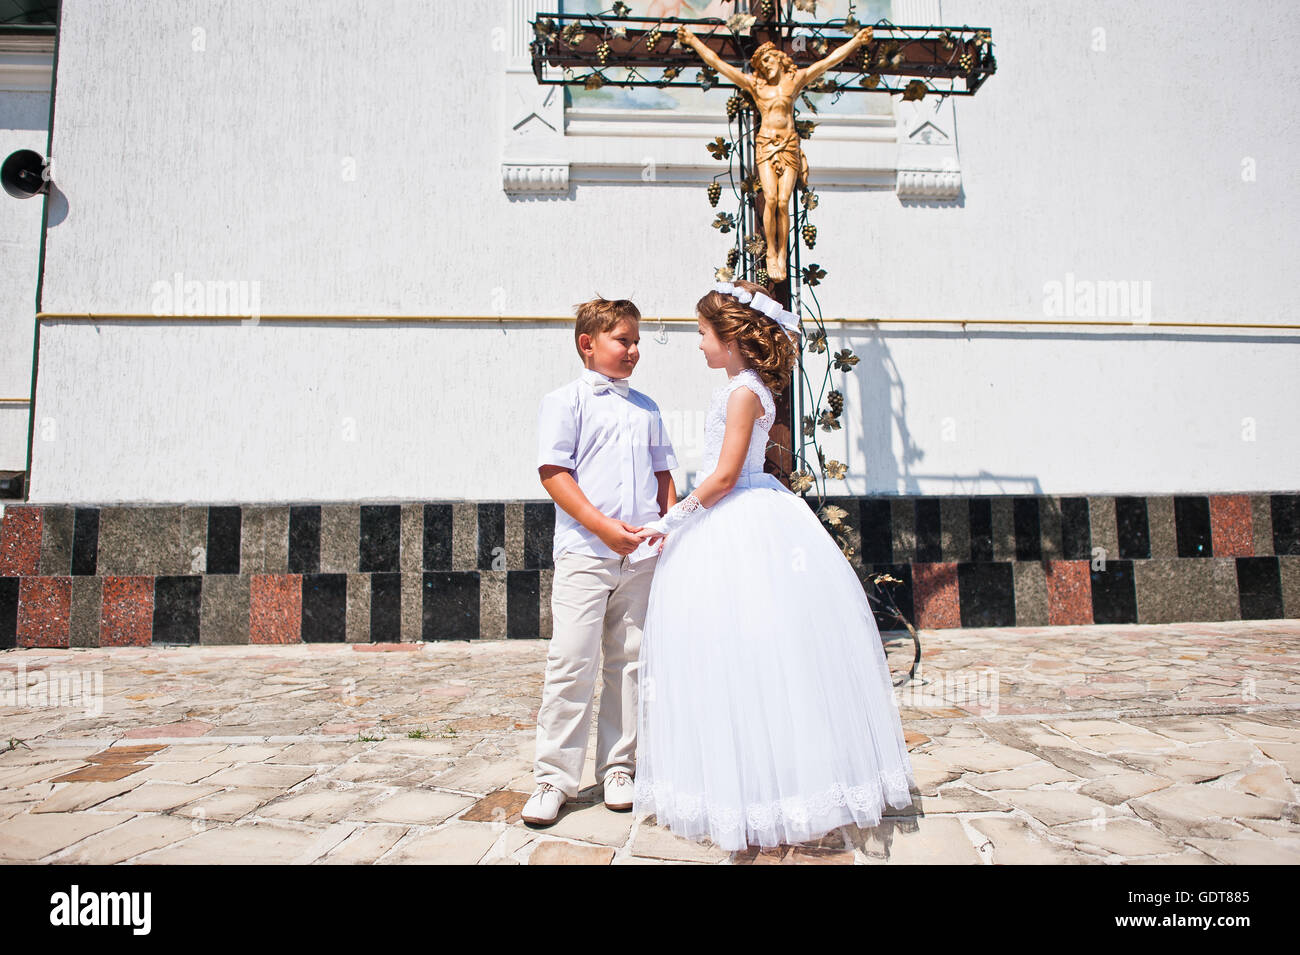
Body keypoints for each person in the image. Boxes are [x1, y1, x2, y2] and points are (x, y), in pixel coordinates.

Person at [631, 279, 916, 851]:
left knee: (751, 649)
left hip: (739, 517)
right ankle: (756, 777)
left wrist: (671, 520)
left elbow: (726, 474)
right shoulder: (750, 387)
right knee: (752, 652)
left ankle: (761, 790)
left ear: (730, 337)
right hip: (749, 515)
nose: (699, 345)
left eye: (703, 334)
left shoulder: (742, 392)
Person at [523, 296, 679, 826]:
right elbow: (554, 474)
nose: (634, 350)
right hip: (586, 553)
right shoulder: (564, 401)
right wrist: (602, 527)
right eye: (624, 340)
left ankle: (619, 766)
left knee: (630, 662)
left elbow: (663, 476)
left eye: (637, 341)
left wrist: (664, 527)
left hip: (641, 557)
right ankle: (553, 778)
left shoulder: (648, 408)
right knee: (572, 660)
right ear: (588, 344)